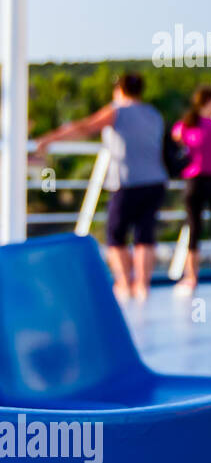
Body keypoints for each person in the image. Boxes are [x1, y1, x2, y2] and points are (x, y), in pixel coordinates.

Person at [32, 73, 166, 300]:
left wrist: (48, 139)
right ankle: (142, 285)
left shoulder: (118, 111)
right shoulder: (154, 114)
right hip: (155, 181)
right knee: (145, 236)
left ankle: (124, 284)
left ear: (120, 90)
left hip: (128, 181)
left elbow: (85, 127)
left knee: (115, 234)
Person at [171, 86, 211, 289]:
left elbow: (175, 146)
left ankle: (191, 278)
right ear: (210, 102)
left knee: (194, 228)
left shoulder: (184, 126)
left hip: (193, 182)